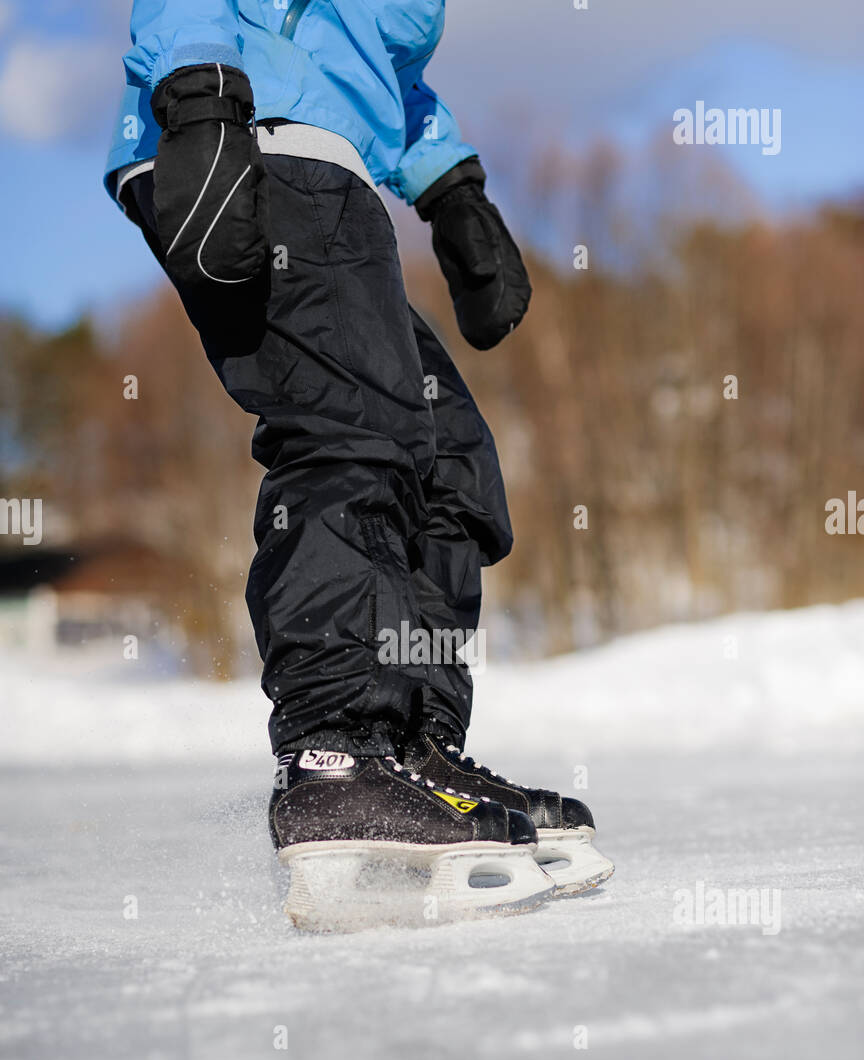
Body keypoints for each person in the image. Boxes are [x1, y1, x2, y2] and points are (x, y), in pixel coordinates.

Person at [106, 0, 612, 925]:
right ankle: (334, 756)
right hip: (250, 139)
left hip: (328, 158)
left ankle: (412, 747)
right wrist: (200, 95)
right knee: (353, 433)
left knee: (448, 459)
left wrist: (450, 186)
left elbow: (380, 60)